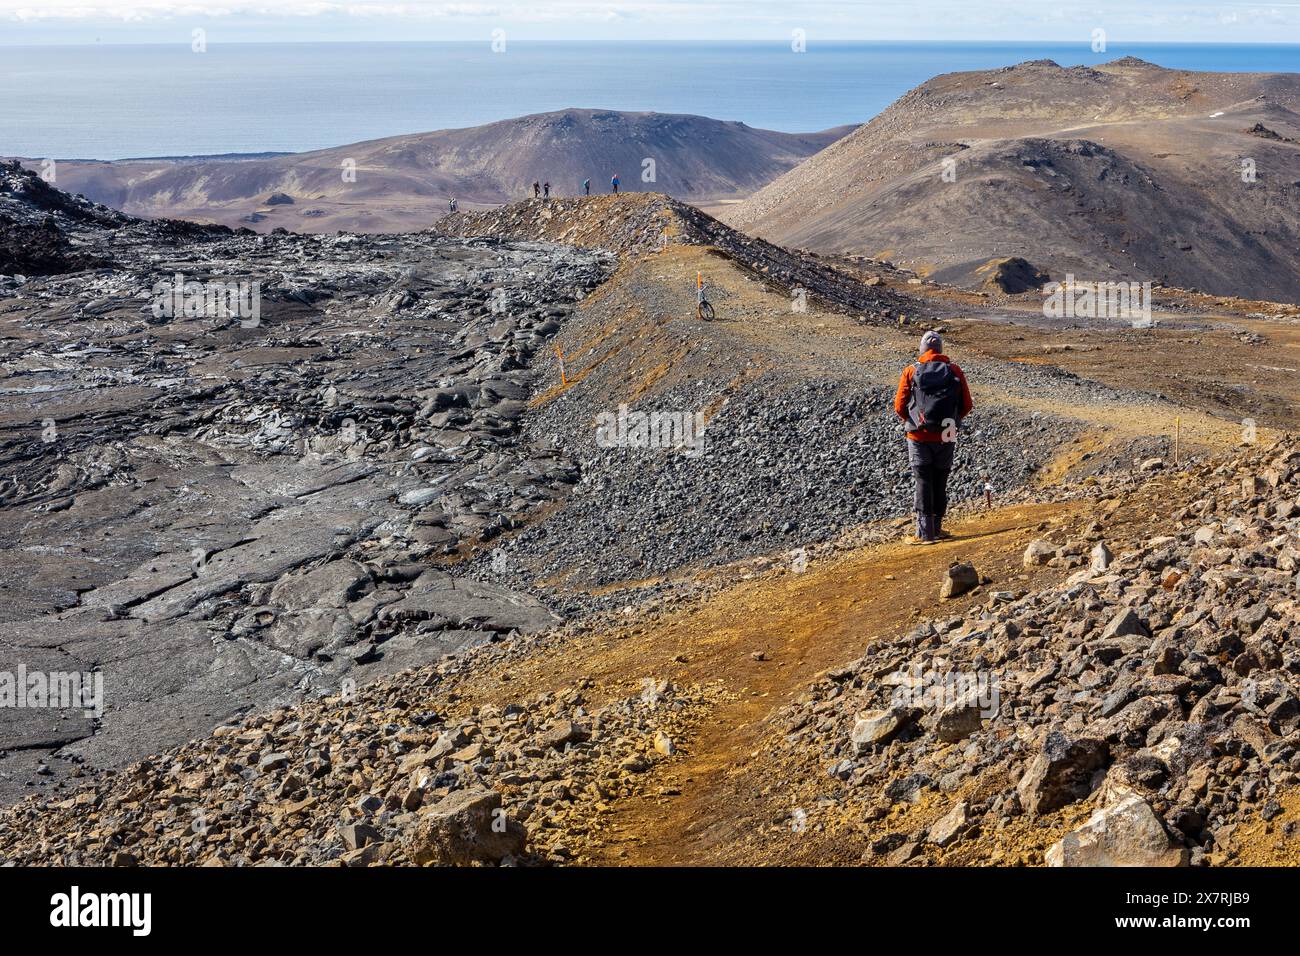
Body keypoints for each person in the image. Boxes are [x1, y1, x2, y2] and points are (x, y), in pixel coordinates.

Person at [893, 330, 973, 544]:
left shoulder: (911, 371)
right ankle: (937, 528)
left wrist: (912, 422)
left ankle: (925, 533)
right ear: (940, 349)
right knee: (940, 479)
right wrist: (951, 421)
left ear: (922, 349)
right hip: (947, 433)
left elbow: (899, 406)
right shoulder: (954, 370)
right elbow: (967, 405)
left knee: (923, 480)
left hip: (918, 435)